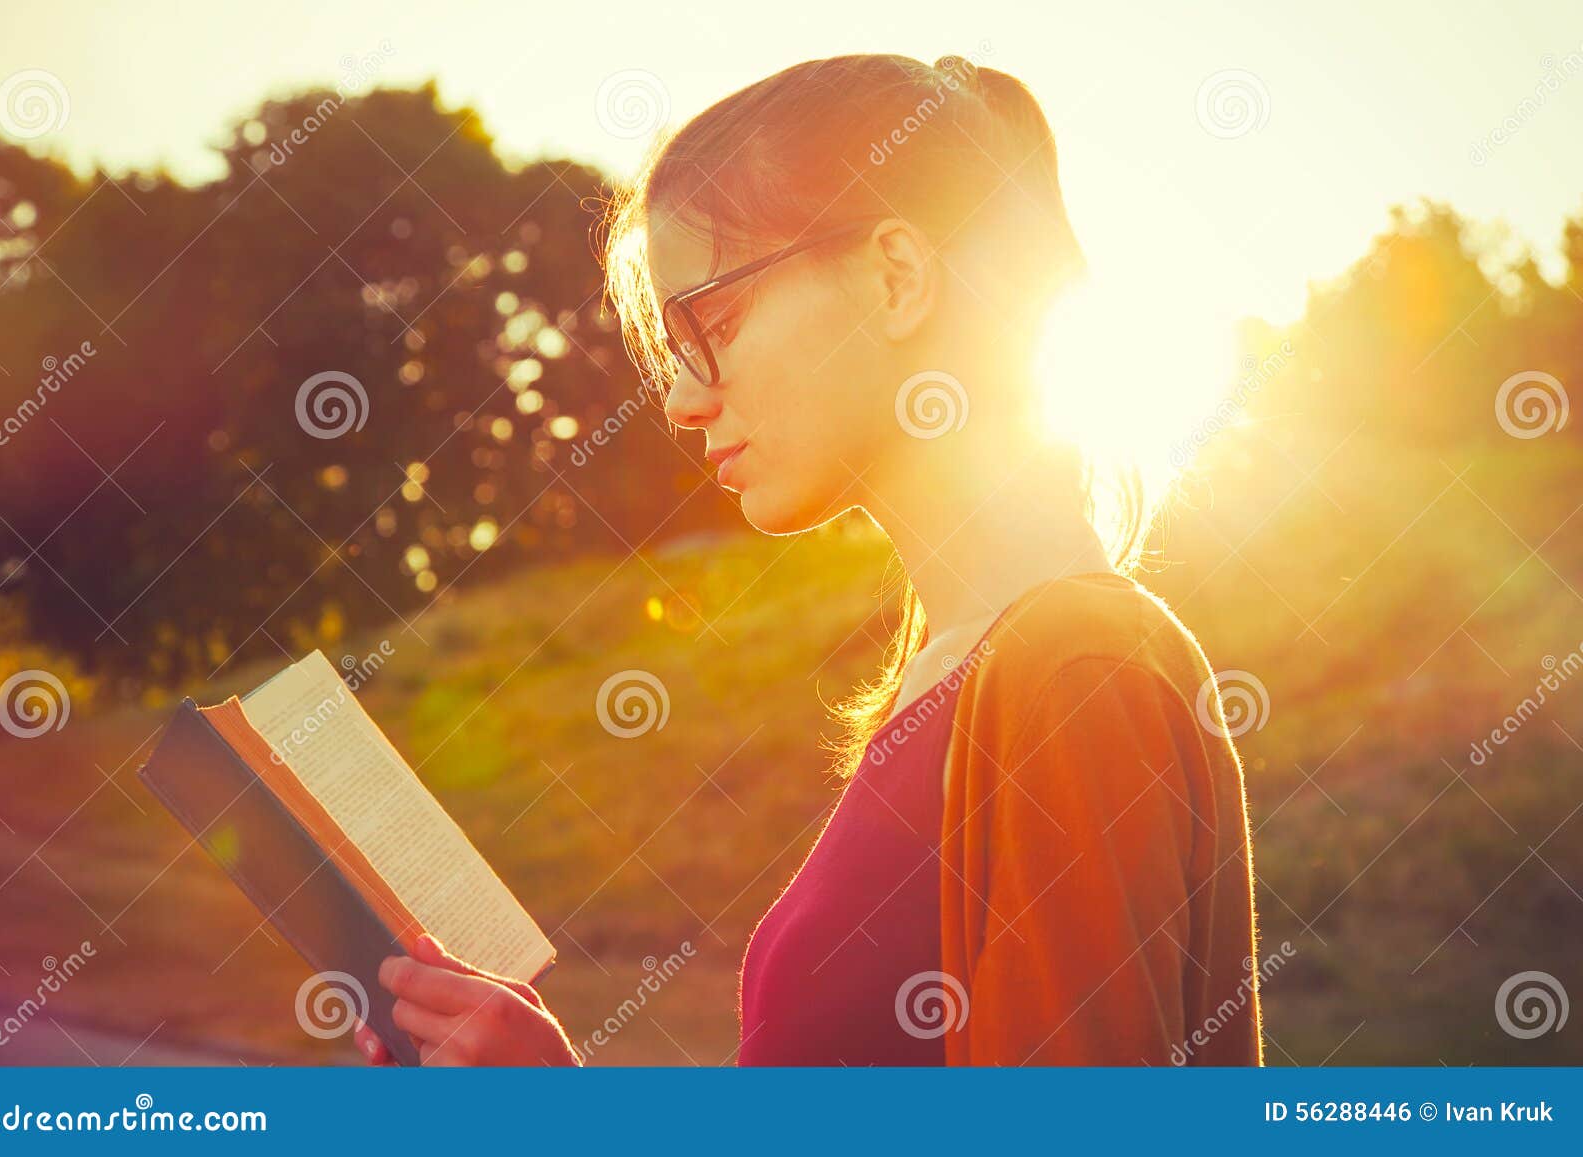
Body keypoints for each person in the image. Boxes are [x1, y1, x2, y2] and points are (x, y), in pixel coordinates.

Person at [356, 51, 1263, 1067]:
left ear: (895, 276)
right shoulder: (955, 669)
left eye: (716, 324)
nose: (682, 399)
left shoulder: (1075, 665)